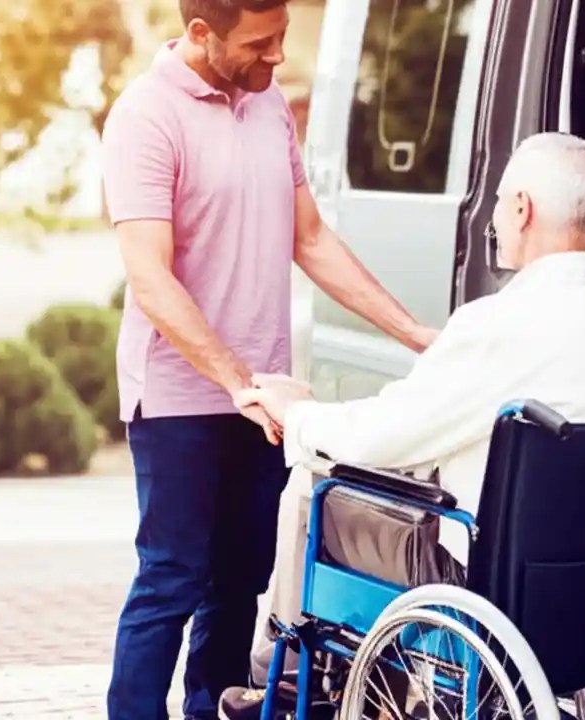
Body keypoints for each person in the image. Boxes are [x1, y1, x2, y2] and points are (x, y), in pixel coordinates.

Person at [221, 132, 585, 718]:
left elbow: (387, 437)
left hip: (497, 589)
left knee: (312, 489)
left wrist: (300, 415)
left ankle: (281, 678)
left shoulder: (495, 325)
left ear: (522, 209)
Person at [99, 1, 436, 718]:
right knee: (172, 578)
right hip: (180, 398)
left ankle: (210, 708)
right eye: (261, 42)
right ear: (200, 34)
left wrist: (416, 334)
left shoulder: (268, 103)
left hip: (265, 397)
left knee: (241, 578)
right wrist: (234, 381)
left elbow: (309, 238)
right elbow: (151, 277)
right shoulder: (145, 117)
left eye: (281, 36)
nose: (279, 56)